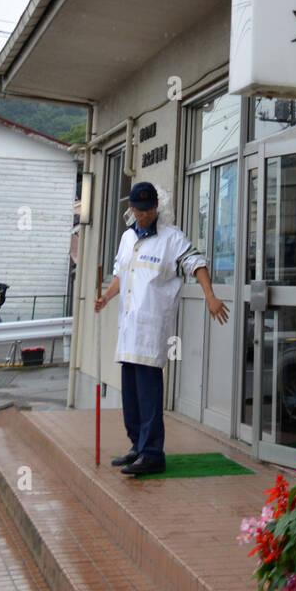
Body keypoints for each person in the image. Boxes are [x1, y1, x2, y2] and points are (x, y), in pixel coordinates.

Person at [94, 180, 229, 476]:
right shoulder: (127, 238)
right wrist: (105, 297)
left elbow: (196, 264)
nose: (143, 214)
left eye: (148, 209)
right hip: (128, 328)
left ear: (156, 207)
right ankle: (137, 446)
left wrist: (210, 296)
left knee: (149, 394)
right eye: (138, 209)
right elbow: (120, 275)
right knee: (130, 394)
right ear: (131, 208)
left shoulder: (172, 238)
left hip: (152, 329)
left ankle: (153, 453)